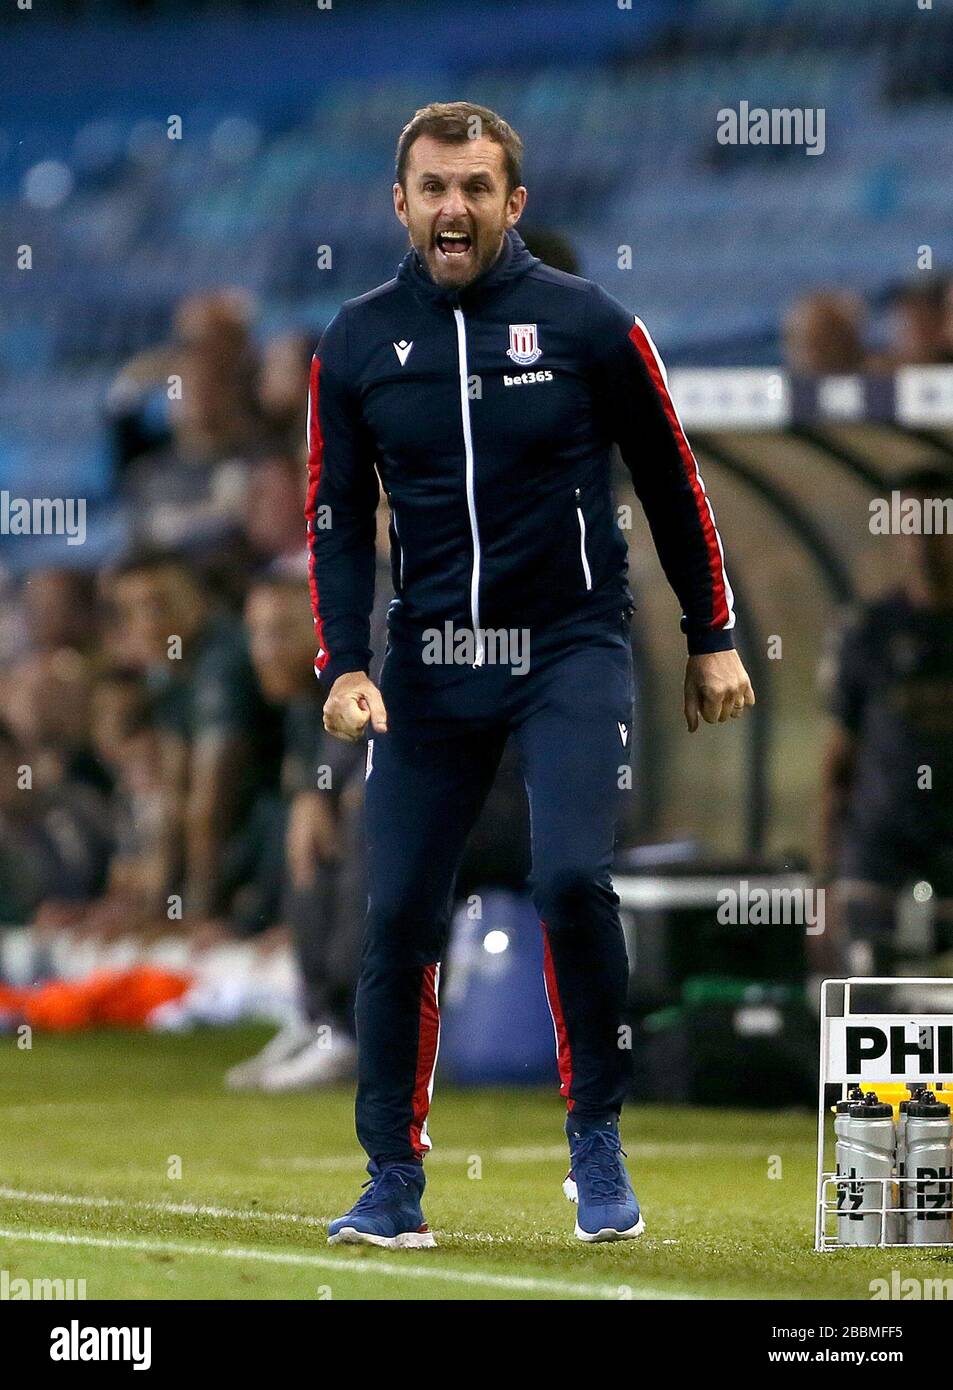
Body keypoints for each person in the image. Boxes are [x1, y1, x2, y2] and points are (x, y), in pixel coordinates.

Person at [308, 102, 754, 1248]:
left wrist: (711, 634)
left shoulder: (589, 327)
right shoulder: (354, 344)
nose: (451, 207)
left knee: (568, 880)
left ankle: (594, 1140)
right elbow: (334, 518)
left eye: (474, 187)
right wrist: (346, 663)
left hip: (566, 646)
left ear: (513, 203)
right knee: (398, 913)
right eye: (431, 187)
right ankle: (390, 1183)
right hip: (428, 665)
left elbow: (671, 481)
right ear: (397, 203)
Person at [820, 466, 953, 976]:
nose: (924, 540)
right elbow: (837, 763)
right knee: (869, 1002)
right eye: (911, 523)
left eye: (937, 524)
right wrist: (825, 882)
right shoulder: (866, 633)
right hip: (878, 858)